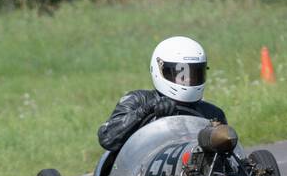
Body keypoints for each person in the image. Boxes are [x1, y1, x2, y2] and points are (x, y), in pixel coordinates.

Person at [97, 36, 227, 153]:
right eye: (181, 74)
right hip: (140, 171)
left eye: (194, 74)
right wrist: (146, 111)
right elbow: (108, 139)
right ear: (159, 68)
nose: (187, 80)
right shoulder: (138, 100)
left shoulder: (212, 114)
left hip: (191, 175)